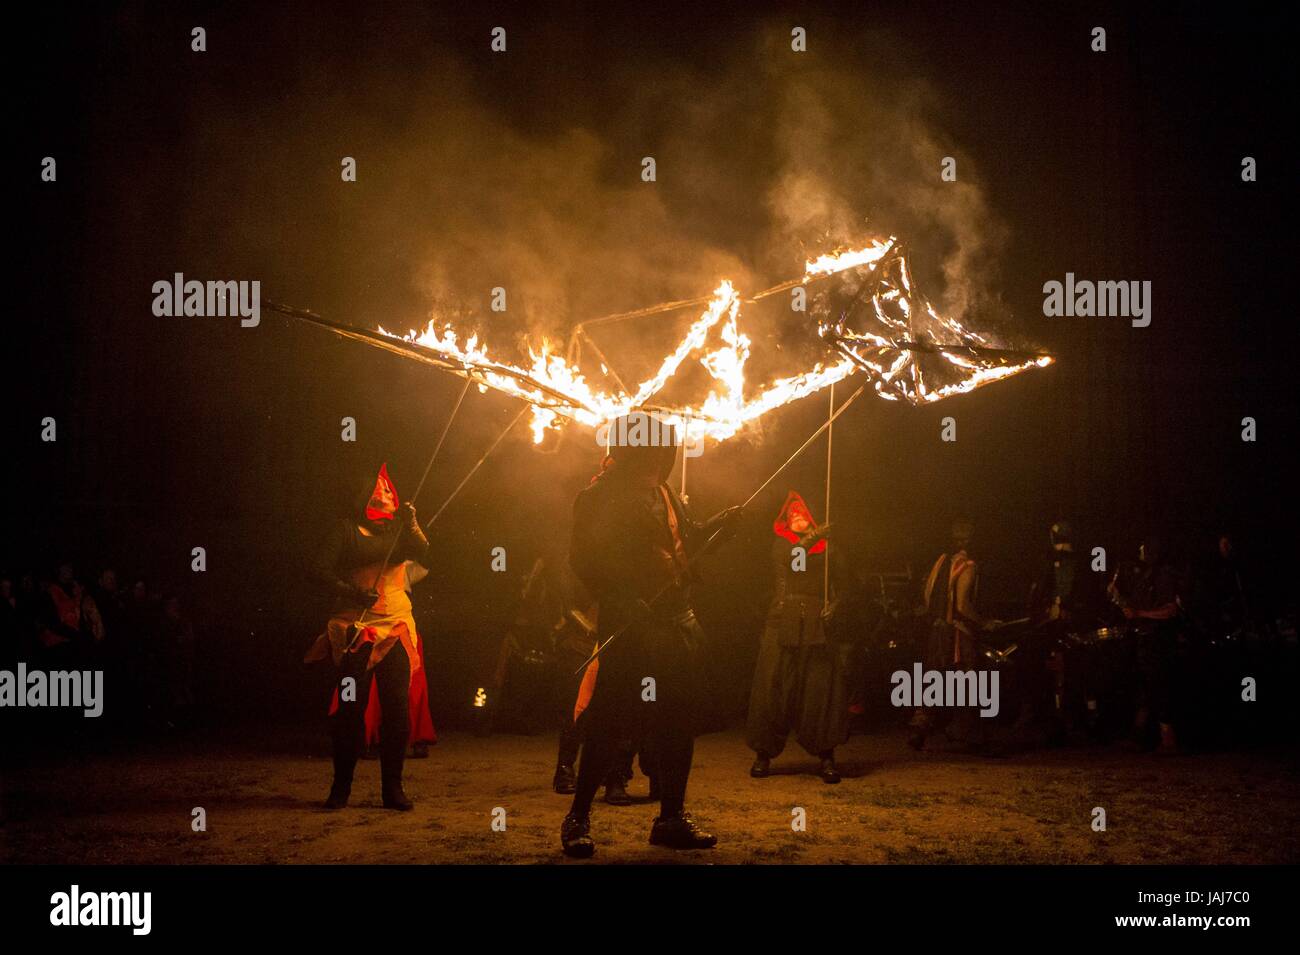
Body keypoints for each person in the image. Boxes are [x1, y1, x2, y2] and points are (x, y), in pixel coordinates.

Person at [560, 414, 742, 857]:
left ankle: (671, 818)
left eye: (667, 449)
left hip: (678, 622)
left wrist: (719, 527)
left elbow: (685, 542)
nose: (667, 456)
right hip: (633, 625)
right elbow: (583, 561)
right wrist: (622, 598)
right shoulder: (598, 496)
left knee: (679, 721)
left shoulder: (664, 491)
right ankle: (578, 818)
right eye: (658, 448)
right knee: (609, 722)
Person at [306, 463, 431, 810]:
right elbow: (317, 570)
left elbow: (424, 554)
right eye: (380, 492)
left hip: (396, 626)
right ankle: (340, 788)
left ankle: (392, 789)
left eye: (389, 491)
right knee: (350, 709)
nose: (386, 496)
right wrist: (351, 592)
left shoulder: (398, 532)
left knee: (397, 710)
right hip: (355, 629)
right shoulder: (345, 531)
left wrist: (413, 523)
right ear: (363, 497)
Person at [746, 490, 849, 784]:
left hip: (817, 622)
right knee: (773, 685)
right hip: (782, 619)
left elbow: (846, 585)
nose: (797, 518)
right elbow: (795, 562)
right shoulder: (781, 546)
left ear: (811, 516)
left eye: (802, 513)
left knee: (820, 687)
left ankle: (827, 755)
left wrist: (835, 605)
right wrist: (814, 538)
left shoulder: (830, 550)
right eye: (792, 515)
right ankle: (763, 754)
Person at [908, 519, 1001, 750]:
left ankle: (920, 729)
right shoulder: (967, 565)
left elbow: (928, 597)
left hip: (937, 631)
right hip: (957, 634)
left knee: (933, 680)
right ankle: (973, 735)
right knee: (968, 681)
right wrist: (984, 622)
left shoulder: (940, 562)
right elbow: (962, 605)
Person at [1108, 534, 1185, 754]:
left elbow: (1170, 610)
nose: (1139, 549)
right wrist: (1120, 599)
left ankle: (1168, 739)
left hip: (1159, 640)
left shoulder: (1163, 575)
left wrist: (1140, 613)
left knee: (1159, 687)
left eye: (1144, 546)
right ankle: (1138, 735)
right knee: (1145, 687)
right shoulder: (1147, 576)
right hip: (1145, 638)